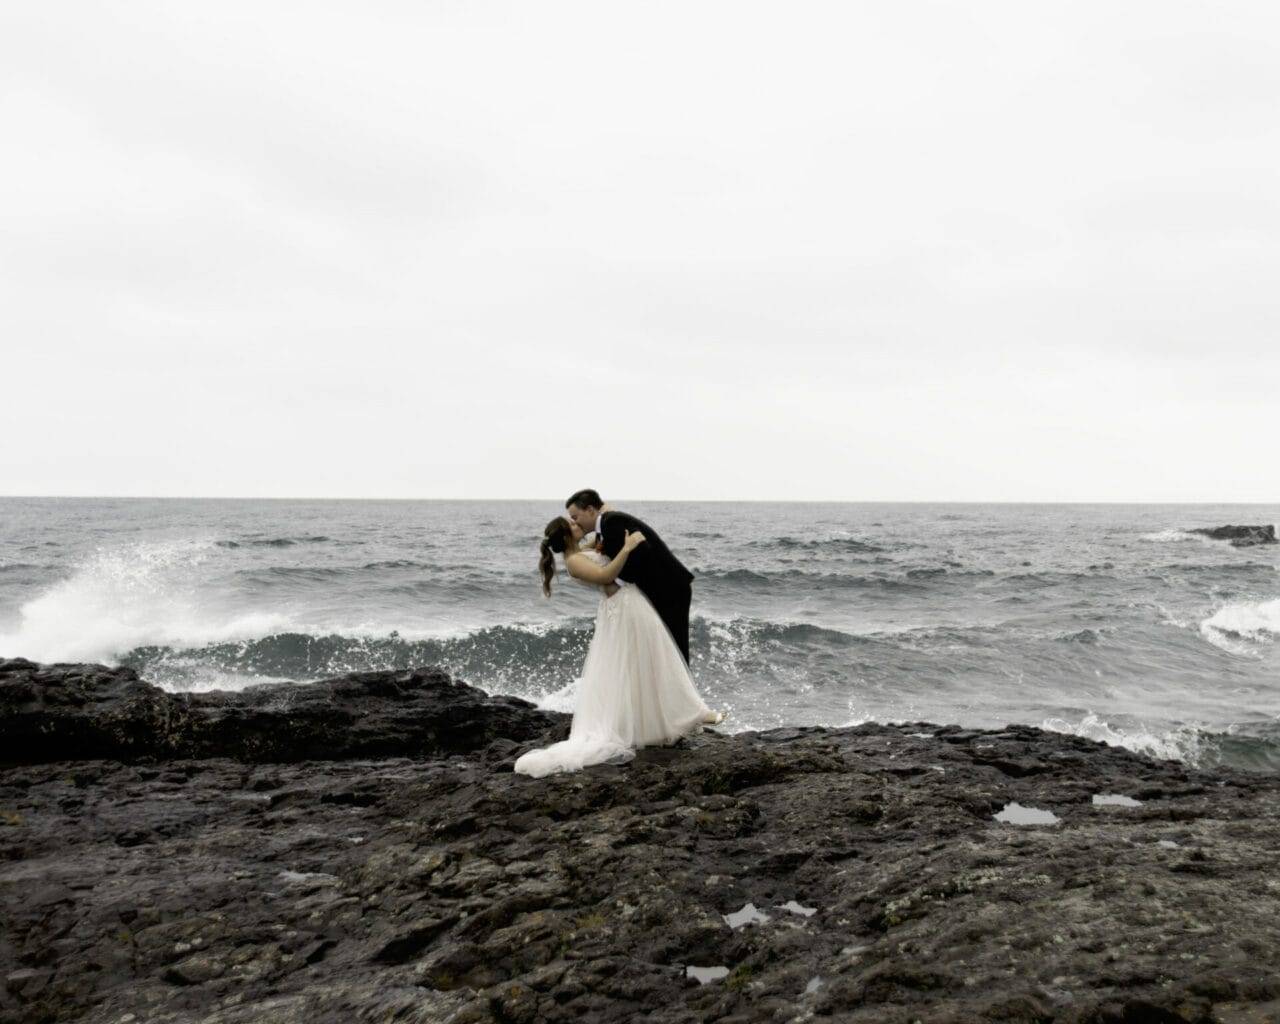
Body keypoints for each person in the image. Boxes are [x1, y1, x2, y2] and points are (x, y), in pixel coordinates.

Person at [513, 515, 723, 779]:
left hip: (629, 604)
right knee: (649, 659)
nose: (580, 526)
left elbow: (601, 529)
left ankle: (671, 718)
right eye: (574, 525)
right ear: (567, 536)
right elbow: (606, 574)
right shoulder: (574, 561)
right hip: (622, 609)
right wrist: (626, 547)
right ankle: (688, 714)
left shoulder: (583, 550)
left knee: (651, 659)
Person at [564, 488, 695, 663]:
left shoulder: (612, 522)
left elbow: (641, 548)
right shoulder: (604, 526)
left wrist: (618, 580)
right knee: (666, 649)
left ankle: (683, 690)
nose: (575, 522)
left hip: (669, 588)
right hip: (662, 588)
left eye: (575, 517)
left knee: (674, 649)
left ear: (590, 510)